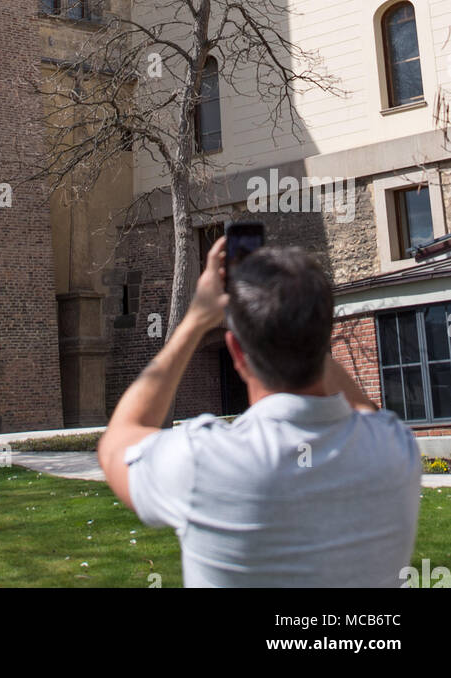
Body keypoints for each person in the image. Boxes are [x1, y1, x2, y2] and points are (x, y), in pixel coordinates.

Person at [98, 237, 422, 588]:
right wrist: (300, 329)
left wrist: (193, 321)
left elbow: (118, 442)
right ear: (323, 338)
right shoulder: (394, 448)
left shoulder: (204, 462)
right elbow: (366, 410)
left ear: (237, 352)